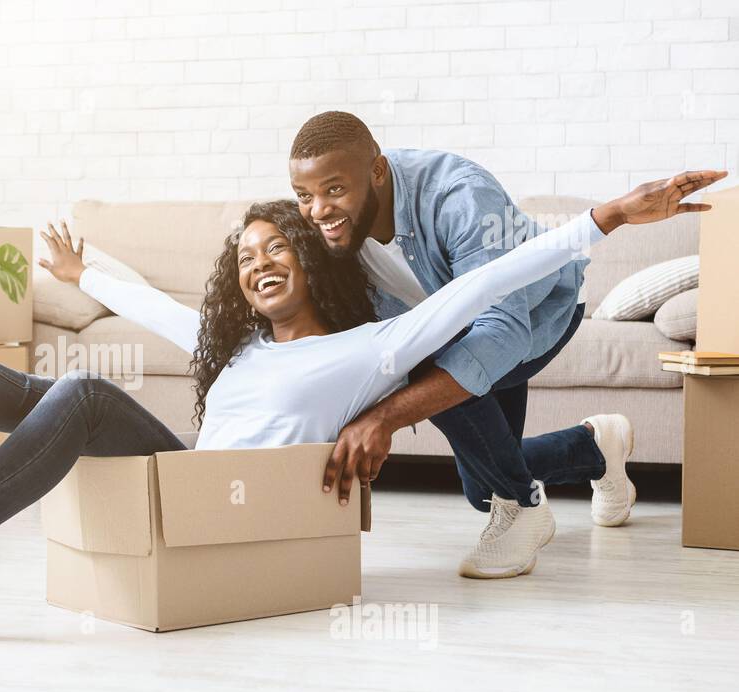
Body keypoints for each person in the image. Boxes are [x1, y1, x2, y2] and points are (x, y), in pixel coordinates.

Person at [0, 169, 723, 619]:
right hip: (195, 485)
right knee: (51, 397)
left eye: (277, 249)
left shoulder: (370, 345)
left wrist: (601, 219)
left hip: (232, 512)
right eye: (244, 258)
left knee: (65, 401)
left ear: (311, 263)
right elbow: (156, 304)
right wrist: (85, 270)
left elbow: (480, 289)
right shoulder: (233, 349)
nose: (259, 263)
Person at [288, 111, 713, 571]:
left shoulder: (459, 196)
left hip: (536, 310)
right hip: (456, 330)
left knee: (439, 372)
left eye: (334, 190)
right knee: (481, 490)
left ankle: (526, 511)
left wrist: (384, 418)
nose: (318, 211)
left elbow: (502, 329)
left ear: (376, 172)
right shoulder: (326, 230)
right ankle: (596, 446)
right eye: (304, 196)